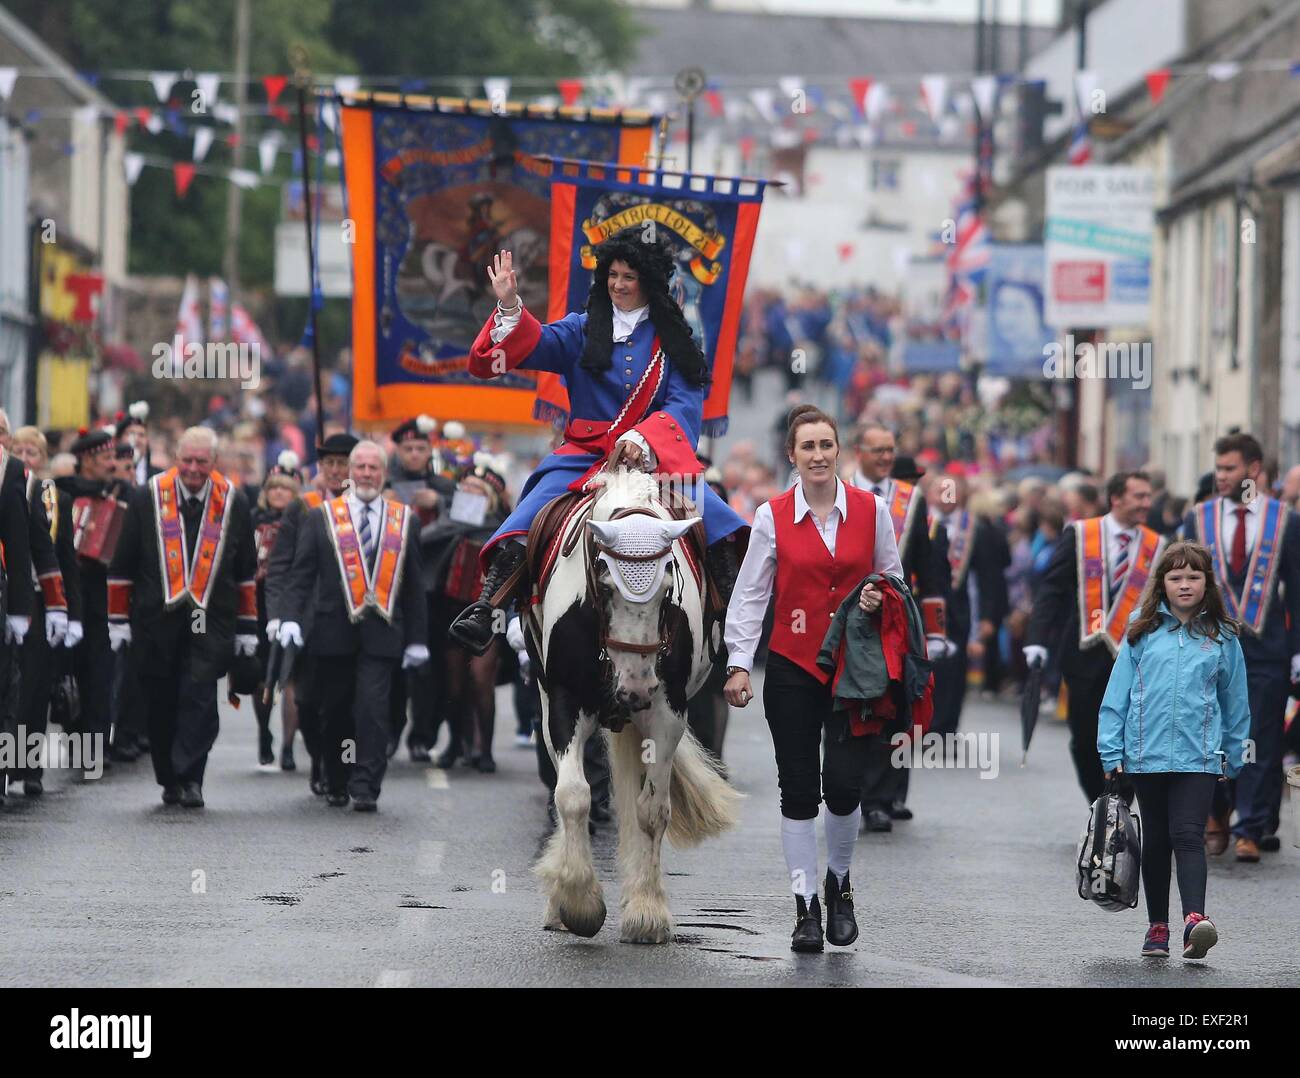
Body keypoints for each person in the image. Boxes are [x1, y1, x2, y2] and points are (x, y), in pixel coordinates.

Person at [447, 229, 749, 655]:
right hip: (582, 458)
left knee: (717, 523)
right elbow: (533, 345)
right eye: (612, 274)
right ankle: (489, 608)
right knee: (524, 521)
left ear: (649, 282)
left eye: (629, 276)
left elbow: (685, 406)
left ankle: (727, 621)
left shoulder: (676, 342)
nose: (618, 283)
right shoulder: (581, 328)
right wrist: (511, 306)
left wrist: (643, 439)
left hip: (653, 462)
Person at [723, 405, 904, 953]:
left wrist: (879, 595)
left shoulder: (872, 511)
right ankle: (805, 906)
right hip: (792, 668)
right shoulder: (770, 515)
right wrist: (737, 661)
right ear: (793, 456)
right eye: (809, 447)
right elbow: (752, 592)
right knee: (799, 791)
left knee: (845, 788)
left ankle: (840, 884)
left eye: (827, 445)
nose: (819, 455)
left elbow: (894, 578)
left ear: (838, 451)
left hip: (855, 670)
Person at [1097, 542, 1251, 961]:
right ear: (1162, 584)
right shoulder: (1140, 629)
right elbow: (1118, 694)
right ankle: (1157, 927)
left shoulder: (1222, 635)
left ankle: (1194, 922)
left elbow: (1236, 700)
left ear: (1207, 583)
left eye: (1194, 577)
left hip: (1198, 755)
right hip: (1144, 754)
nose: (1185, 585)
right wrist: (1111, 750)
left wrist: (1234, 755)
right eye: (1176, 577)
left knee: (1188, 835)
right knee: (1158, 840)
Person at [107, 426, 260, 808]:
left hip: (210, 619)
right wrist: (117, 620)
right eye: (187, 460)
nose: (193, 468)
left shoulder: (233, 502)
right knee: (160, 699)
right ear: (177, 459)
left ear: (214, 462)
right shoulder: (147, 497)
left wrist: (247, 628)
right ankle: (169, 776)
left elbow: (245, 571)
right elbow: (123, 562)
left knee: (199, 696)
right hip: (157, 618)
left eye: (201, 462)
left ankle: (192, 777)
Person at [277, 441, 429, 811]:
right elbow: (301, 574)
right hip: (332, 633)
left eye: (372, 468)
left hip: (381, 634)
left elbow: (413, 584)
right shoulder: (322, 517)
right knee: (335, 711)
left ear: (383, 473)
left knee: (372, 710)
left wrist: (417, 640)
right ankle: (337, 774)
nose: (365, 474)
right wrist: (289, 619)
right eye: (359, 467)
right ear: (349, 472)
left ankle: (366, 785)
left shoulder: (403, 519)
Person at [1180, 433, 1300, 861]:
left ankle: (1250, 826)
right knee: (1207, 734)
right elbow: (1179, 583)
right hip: (1208, 648)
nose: (1222, 476)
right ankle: (1216, 810)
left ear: (1252, 470)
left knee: (1260, 740)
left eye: (1230, 468)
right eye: (1219, 468)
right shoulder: (1199, 518)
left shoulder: (1284, 520)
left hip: (1266, 649)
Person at [1024, 471, 1163, 803]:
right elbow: (1053, 589)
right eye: (1139, 496)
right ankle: (1100, 802)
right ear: (1116, 498)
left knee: (1132, 736)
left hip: (1135, 657)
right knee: (1085, 738)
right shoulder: (1081, 534)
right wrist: (1037, 639)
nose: (1147, 503)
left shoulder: (1157, 545)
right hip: (1084, 655)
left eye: (1148, 496)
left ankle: (1121, 802)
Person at [849, 433, 951, 831]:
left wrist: (935, 629)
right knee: (843, 708)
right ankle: (847, 790)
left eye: (892, 450)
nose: (888, 457)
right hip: (846, 616)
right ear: (859, 453)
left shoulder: (911, 499)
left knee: (893, 708)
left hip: (894, 620)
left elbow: (929, 570)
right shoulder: (841, 490)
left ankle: (879, 799)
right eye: (879, 451)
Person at [264, 432, 357, 795]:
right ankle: (318, 758)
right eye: (329, 463)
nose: (336, 470)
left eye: (343, 462)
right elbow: (280, 564)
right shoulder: (303, 507)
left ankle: (340, 770)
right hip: (307, 617)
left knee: (344, 703)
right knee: (306, 699)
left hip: (348, 617)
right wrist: (277, 614)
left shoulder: (371, 506)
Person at [421, 457, 511, 773]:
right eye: (466, 488)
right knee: (454, 684)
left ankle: (484, 749)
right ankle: (455, 743)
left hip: (488, 616)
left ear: (491, 497)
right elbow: (423, 544)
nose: (471, 494)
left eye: (478, 490)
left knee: (480, 680)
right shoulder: (449, 523)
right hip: (452, 610)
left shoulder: (504, 529)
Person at [4, 424, 79, 797]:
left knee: (31, 685)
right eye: (17, 447)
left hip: (30, 595)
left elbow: (53, 552)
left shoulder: (43, 491)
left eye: (30, 452)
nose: (22, 456)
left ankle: (29, 764)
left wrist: (62, 607)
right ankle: (7, 764)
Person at [56, 427, 127, 773]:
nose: (112, 465)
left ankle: (97, 744)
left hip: (102, 595)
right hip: (70, 592)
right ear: (85, 460)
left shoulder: (116, 496)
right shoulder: (62, 492)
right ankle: (75, 736)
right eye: (105, 458)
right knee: (71, 667)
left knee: (100, 671)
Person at [385, 415, 451, 762]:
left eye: (420, 448)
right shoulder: (383, 485)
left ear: (430, 451)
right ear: (397, 451)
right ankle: (391, 731)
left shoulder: (445, 487)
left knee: (432, 669)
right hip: (392, 589)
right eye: (407, 448)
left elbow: (472, 519)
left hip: (434, 590)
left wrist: (437, 505)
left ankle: (423, 736)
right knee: (393, 665)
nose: (413, 454)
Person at [929, 472, 1010, 738]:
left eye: (951, 491)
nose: (946, 497)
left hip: (960, 611)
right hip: (925, 608)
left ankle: (945, 728)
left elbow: (989, 578)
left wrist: (987, 617)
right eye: (941, 491)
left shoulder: (977, 529)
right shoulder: (923, 523)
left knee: (953, 672)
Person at [251, 451, 302, 769]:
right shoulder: (251, 522)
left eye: (285, 488)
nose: (279, 493)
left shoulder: (304, 522)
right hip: (257, 605)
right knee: (260, 677)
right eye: (274, 487)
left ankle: (288, 746)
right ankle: (263, 731)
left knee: (292, 677)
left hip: (292, 601)